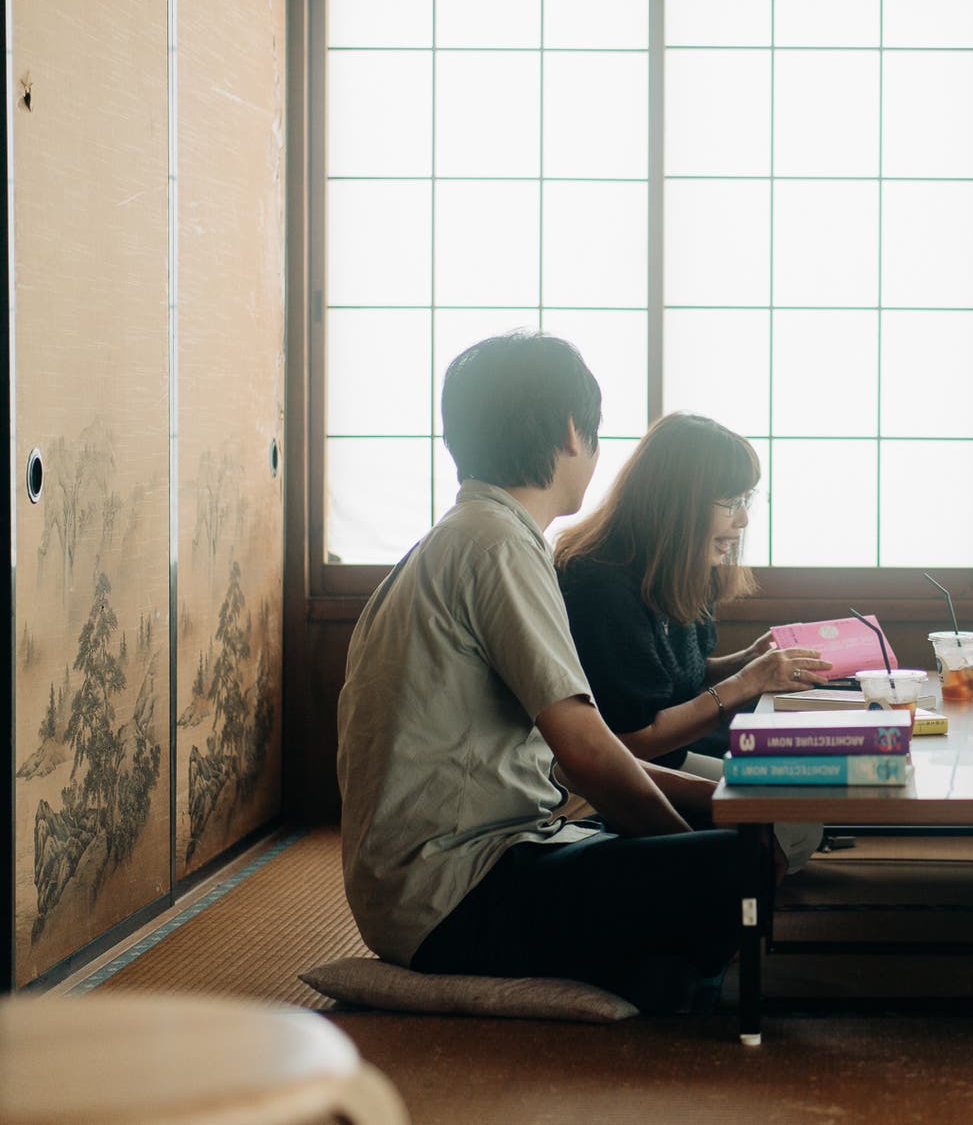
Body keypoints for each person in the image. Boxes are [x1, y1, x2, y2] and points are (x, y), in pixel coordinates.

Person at [336, 332, 745, 1014]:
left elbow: (562, 762)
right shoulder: (496, 546)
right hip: (455, 894)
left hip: (462, 869)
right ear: (569, 432)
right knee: (738, 866)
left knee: (730, 837)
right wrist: (692, 837)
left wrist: (713, 801)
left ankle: (658, 965)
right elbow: (584, 753)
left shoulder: (469, 536)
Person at [554, 412, 828, 869]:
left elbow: (676, 674)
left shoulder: (672, 568)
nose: (742, 520)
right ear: (680, 501)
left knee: (810, 798)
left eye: (745, 500)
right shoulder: (599, 586)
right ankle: (732, 911)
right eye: (730, 502)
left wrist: (746, 662)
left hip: (682, 748)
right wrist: (745, 683)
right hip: (628, 772)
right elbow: (628, 742)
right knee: (794, 820)